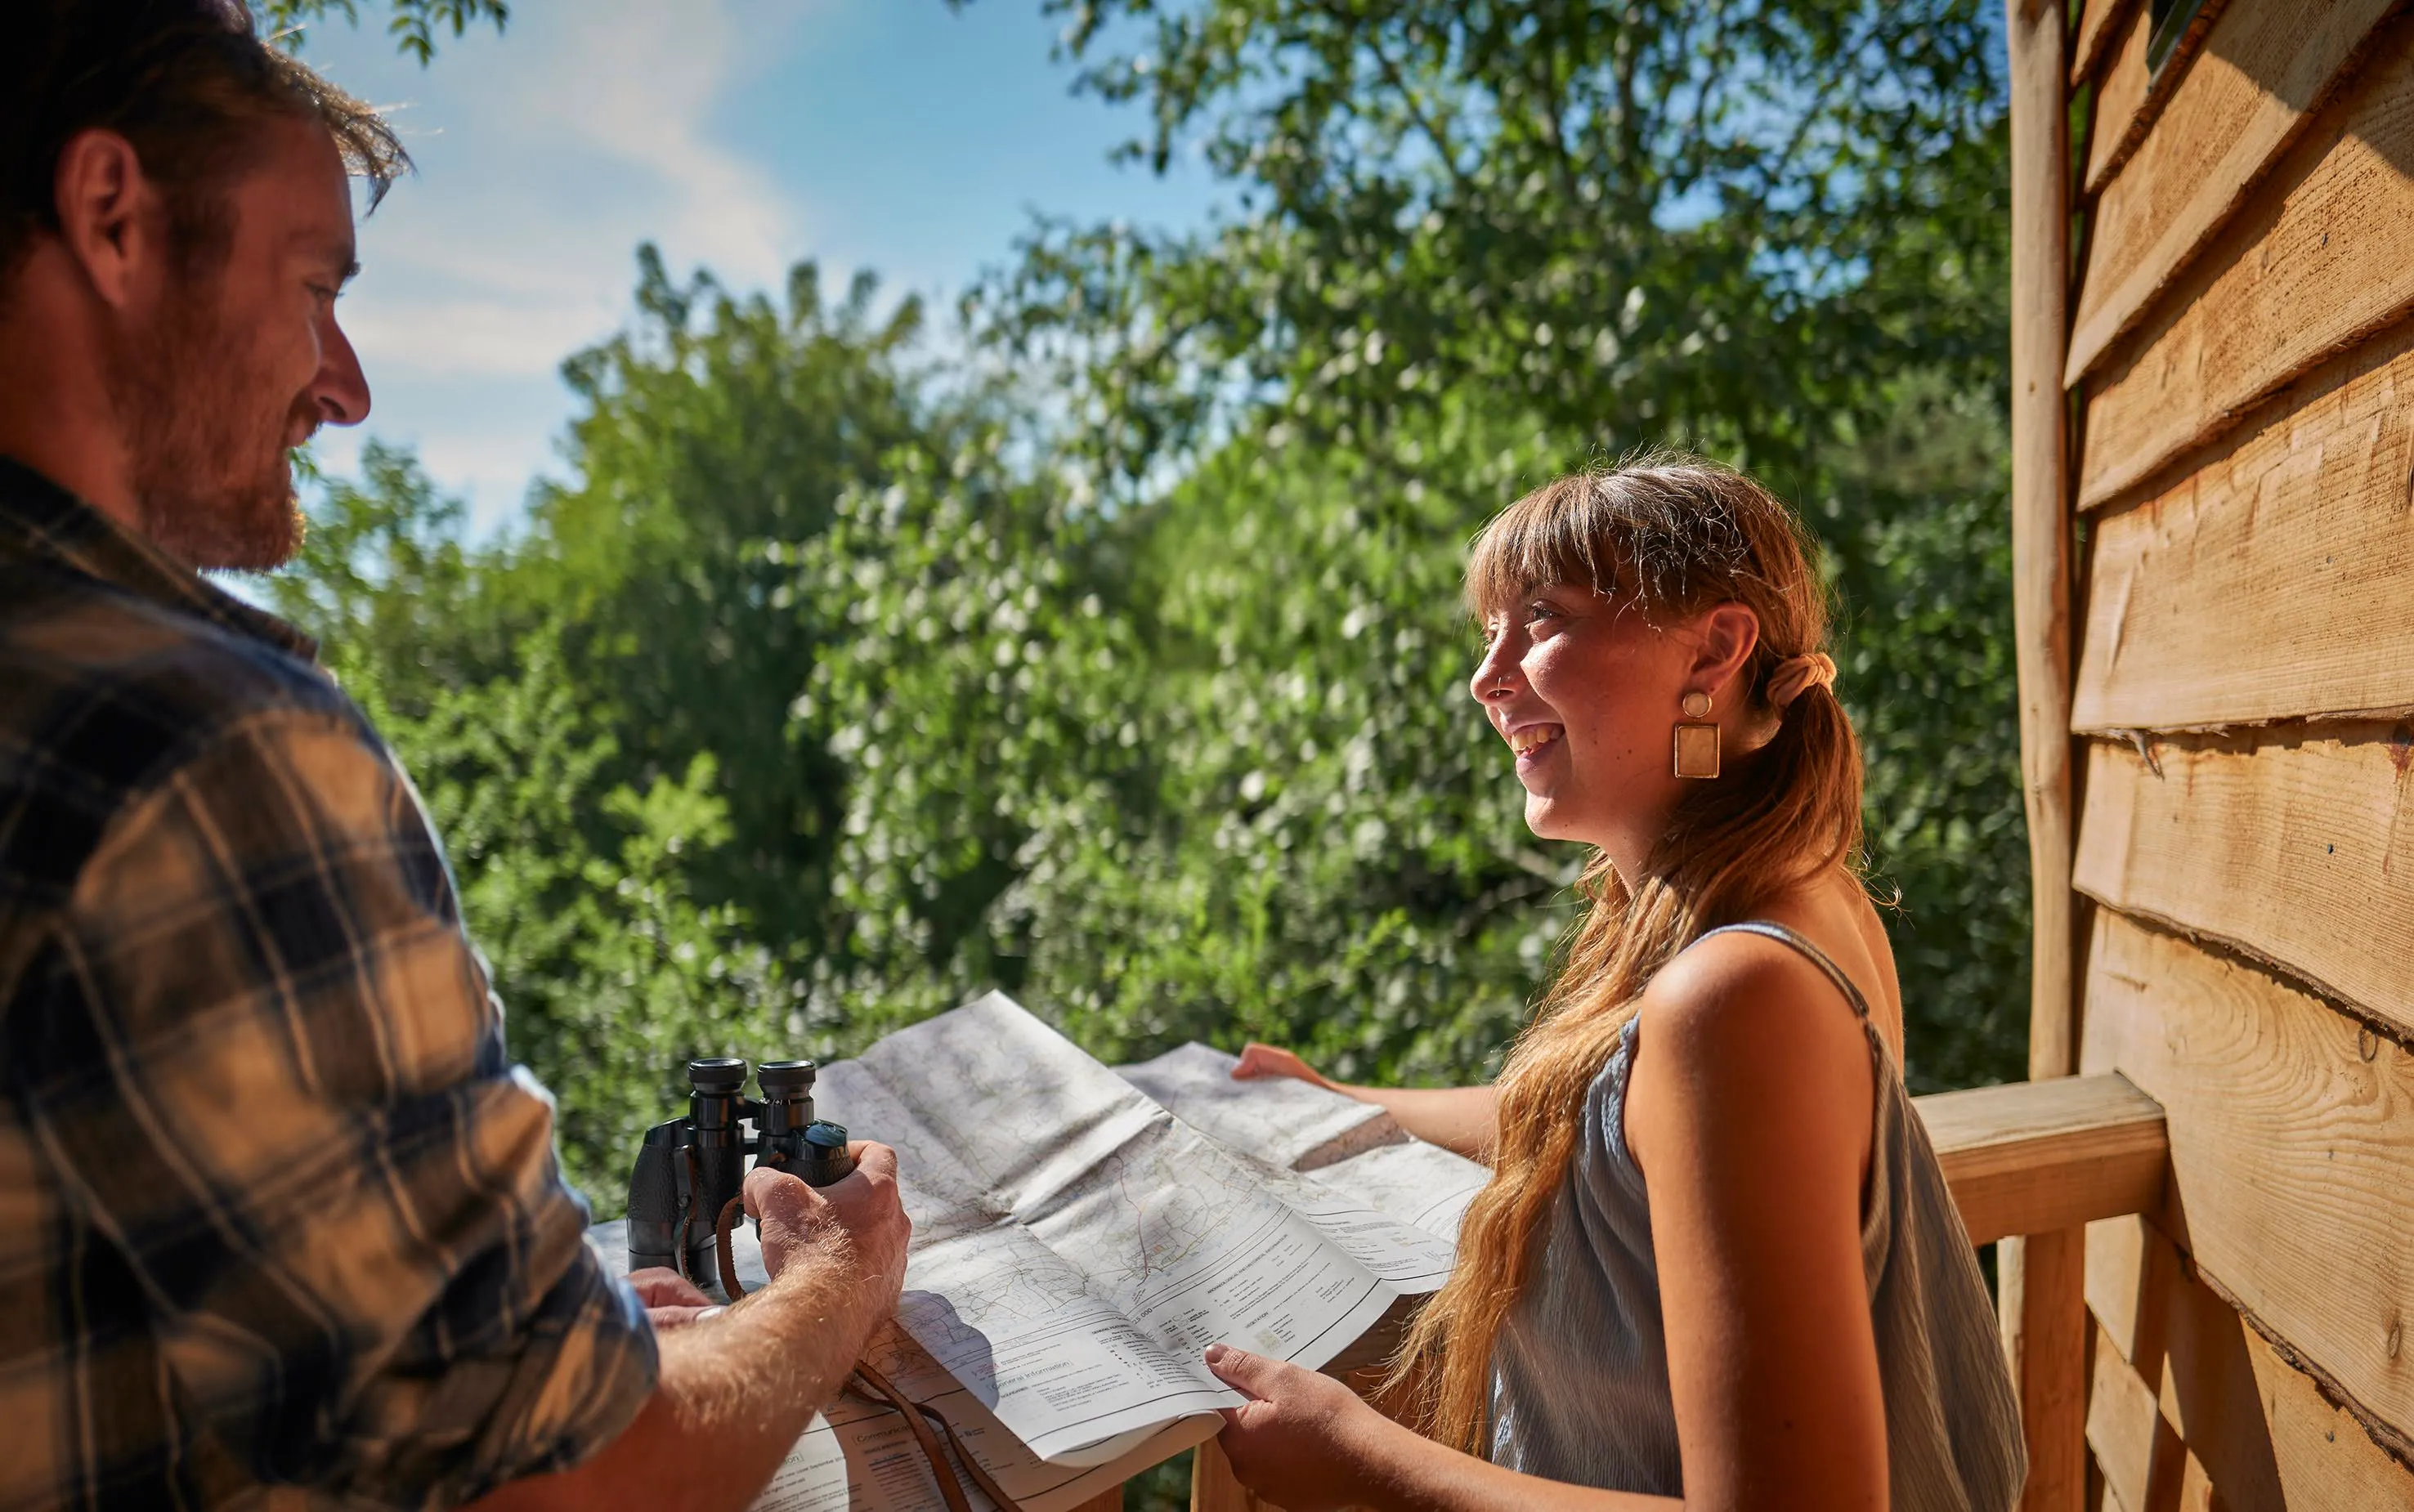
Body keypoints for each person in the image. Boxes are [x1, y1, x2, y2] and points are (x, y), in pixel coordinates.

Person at [0, 5, 908, 1509]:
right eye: (311, 288)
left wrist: (556, 1343)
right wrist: (833, 1283)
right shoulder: (201, 756)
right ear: (112, 219)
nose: (345, 385)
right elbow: (573, 1485)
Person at [1203, 459, 2025, 1511]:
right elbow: (1611, 1125)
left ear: (1717, 648)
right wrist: (1344, 1105)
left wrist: (1364, 1460)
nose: (1486, 677)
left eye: (1540, 620)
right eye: (1488, 631)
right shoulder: (1789, 897)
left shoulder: (1736, 989)